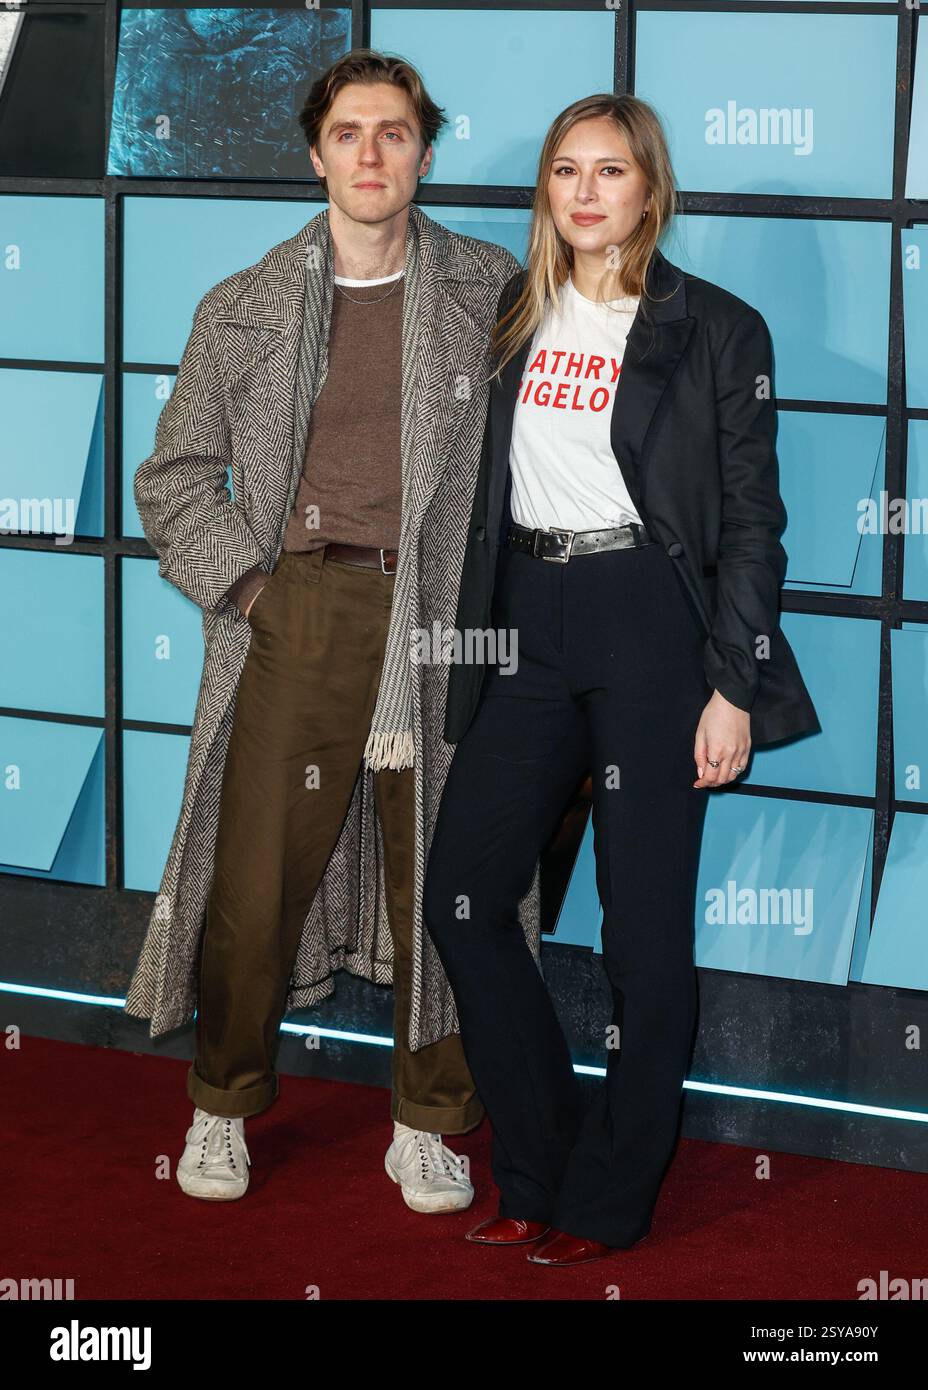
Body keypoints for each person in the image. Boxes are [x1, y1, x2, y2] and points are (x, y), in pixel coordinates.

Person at [424, 93, 821, 1266]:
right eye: (564, 171)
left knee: (643, 938)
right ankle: (538, 1160)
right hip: (527, 626)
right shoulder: (516, 310)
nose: (585, 192)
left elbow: (754, 524)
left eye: (610, 171)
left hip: (650, 627)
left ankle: (612, 1192)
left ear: (650, 188)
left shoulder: (715, 330)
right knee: (461, 895)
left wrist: (733, 686)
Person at [124, 49, 521, 1208]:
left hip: (443, 616)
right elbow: (176, 477)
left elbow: (529, 468)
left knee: (447, 880)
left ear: (425, 151)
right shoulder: (240, 305)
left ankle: (433, 1120)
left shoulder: (491, 290)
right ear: (315, 152)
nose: (370, 154)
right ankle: (220, 1107)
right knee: (253, 876)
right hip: (298, 608)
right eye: (348, 133)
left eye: (393, 133)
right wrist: (252, 592)